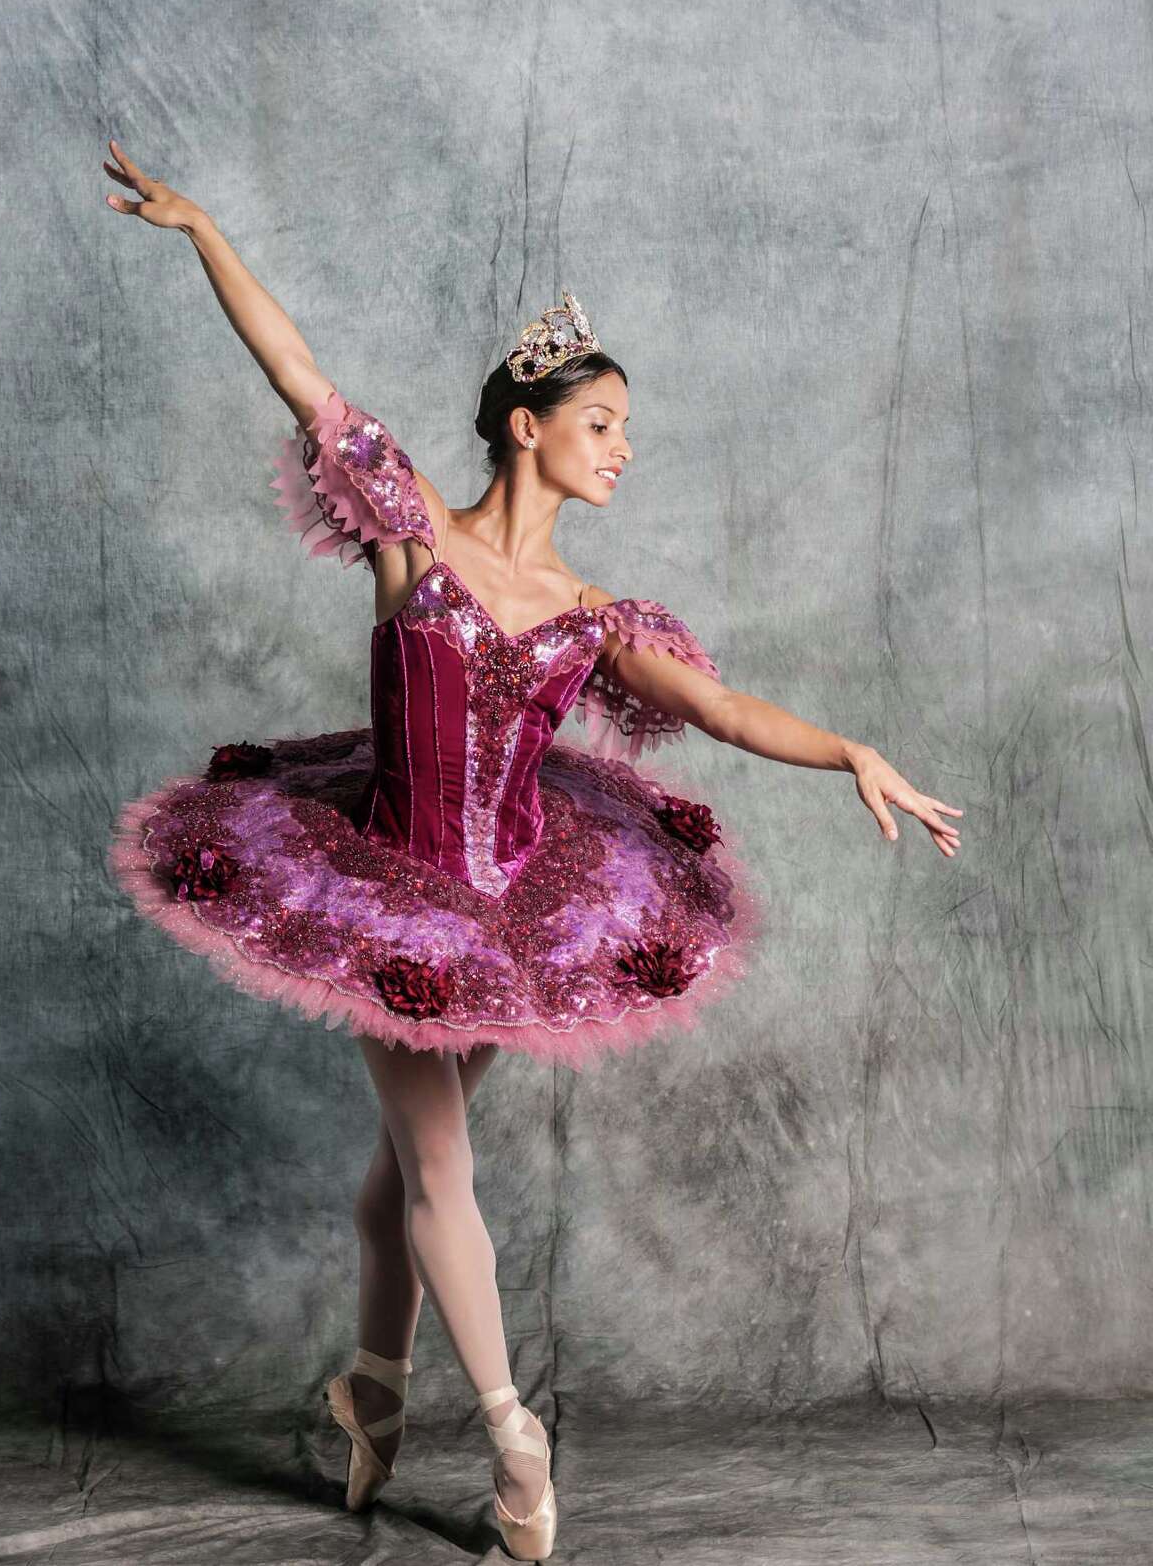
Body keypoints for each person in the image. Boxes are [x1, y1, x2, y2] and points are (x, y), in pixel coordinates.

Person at [102, 141, 963, 1561]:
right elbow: (300, 372)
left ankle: (371, 1391)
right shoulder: (416, 539)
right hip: (378, 886)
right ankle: (514, 1435)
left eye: (630, 428)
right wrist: (201, 229)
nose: (625, 446)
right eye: (605, 420)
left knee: (402, 1173)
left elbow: (730, 708)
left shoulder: (595, 613)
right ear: (525, 422)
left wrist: (857, 751)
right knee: (443, 1173)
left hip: (518, 906)